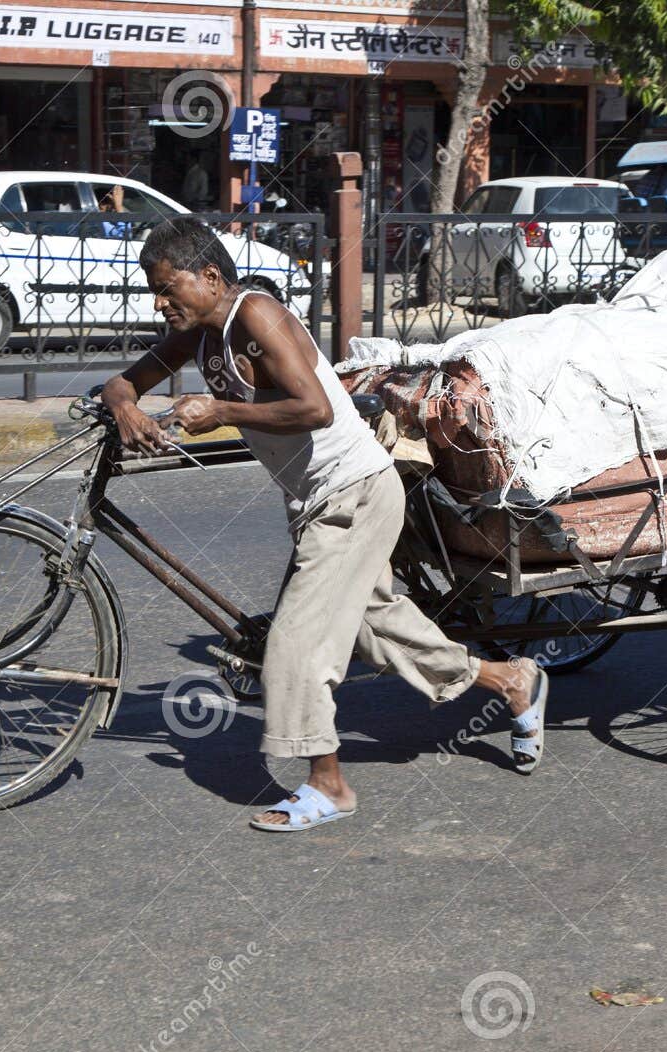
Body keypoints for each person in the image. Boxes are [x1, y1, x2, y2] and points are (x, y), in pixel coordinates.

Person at [100, 218, 545, 832]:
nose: (159, 302)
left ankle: (328, 785)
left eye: (167, 286)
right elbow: (123, 381)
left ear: (209, 277)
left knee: (297, 643)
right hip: (314, 502)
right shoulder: (196, 332)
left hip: (354, 495)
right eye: (154, 290)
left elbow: (313, 406)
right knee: (379, 630)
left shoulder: (255, 315)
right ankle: (510, 679)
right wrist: (125, 407)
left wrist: (220, 411)